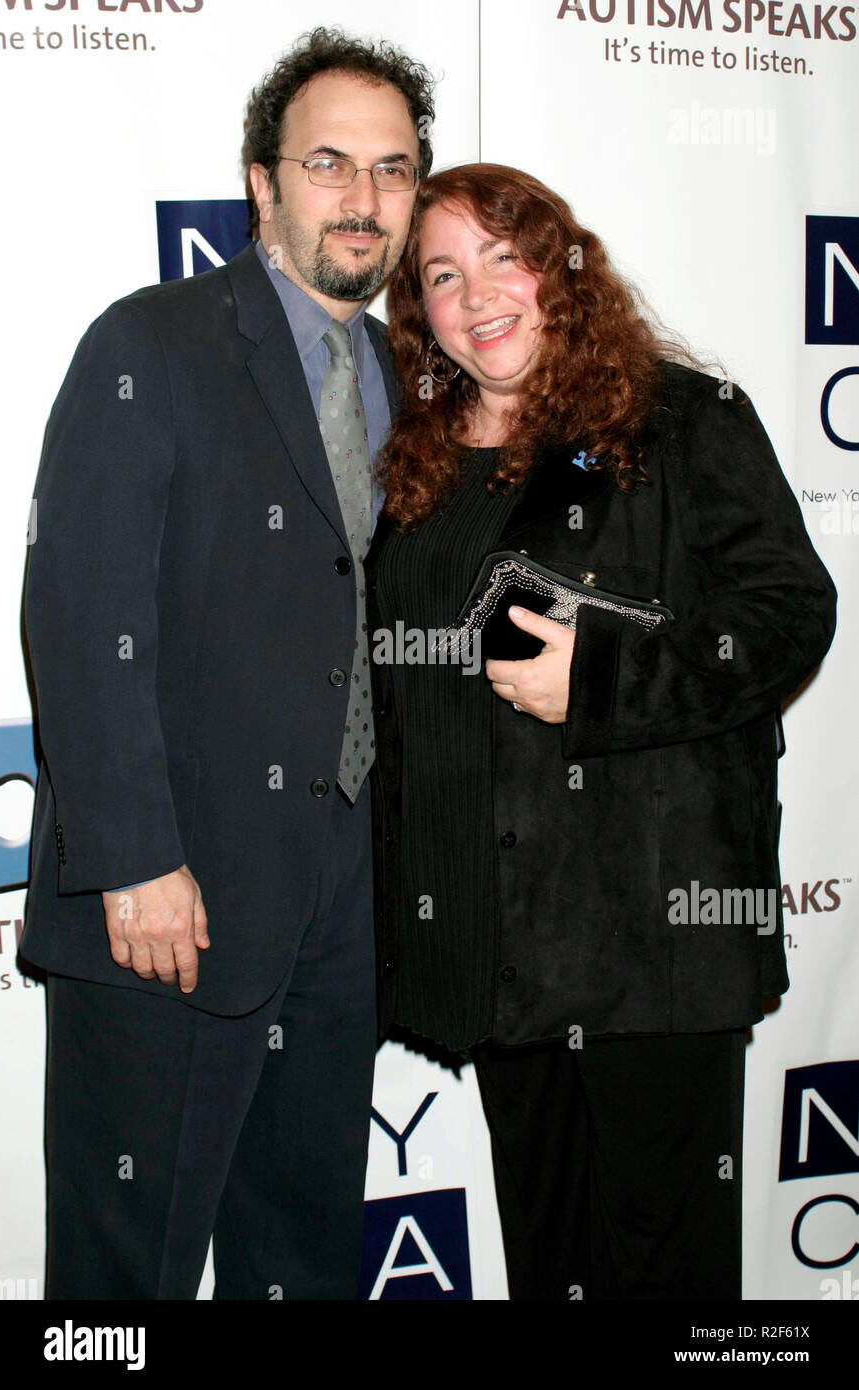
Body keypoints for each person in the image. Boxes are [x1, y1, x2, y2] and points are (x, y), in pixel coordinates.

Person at [366, 163, 837, 1301]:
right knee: (551, 1263)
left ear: (560, 268)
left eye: (503, 256)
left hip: (648, 937)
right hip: (499, 947)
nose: (477, 294)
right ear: (417, 312)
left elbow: (787, 614)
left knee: (661, 1275)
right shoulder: (414, 456)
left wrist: (607, 676)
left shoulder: (675, 417)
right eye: (441, 274)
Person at [20, 27, 434, 1301]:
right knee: (123, 1279)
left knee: (300, 1253)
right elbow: (82, 617)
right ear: (262, 184)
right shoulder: (153, 344)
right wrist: (133, 858)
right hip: (172, 900)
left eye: (394, 169)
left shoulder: (408, 376)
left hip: (341, 900)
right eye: (329, 164)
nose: (363, 201)